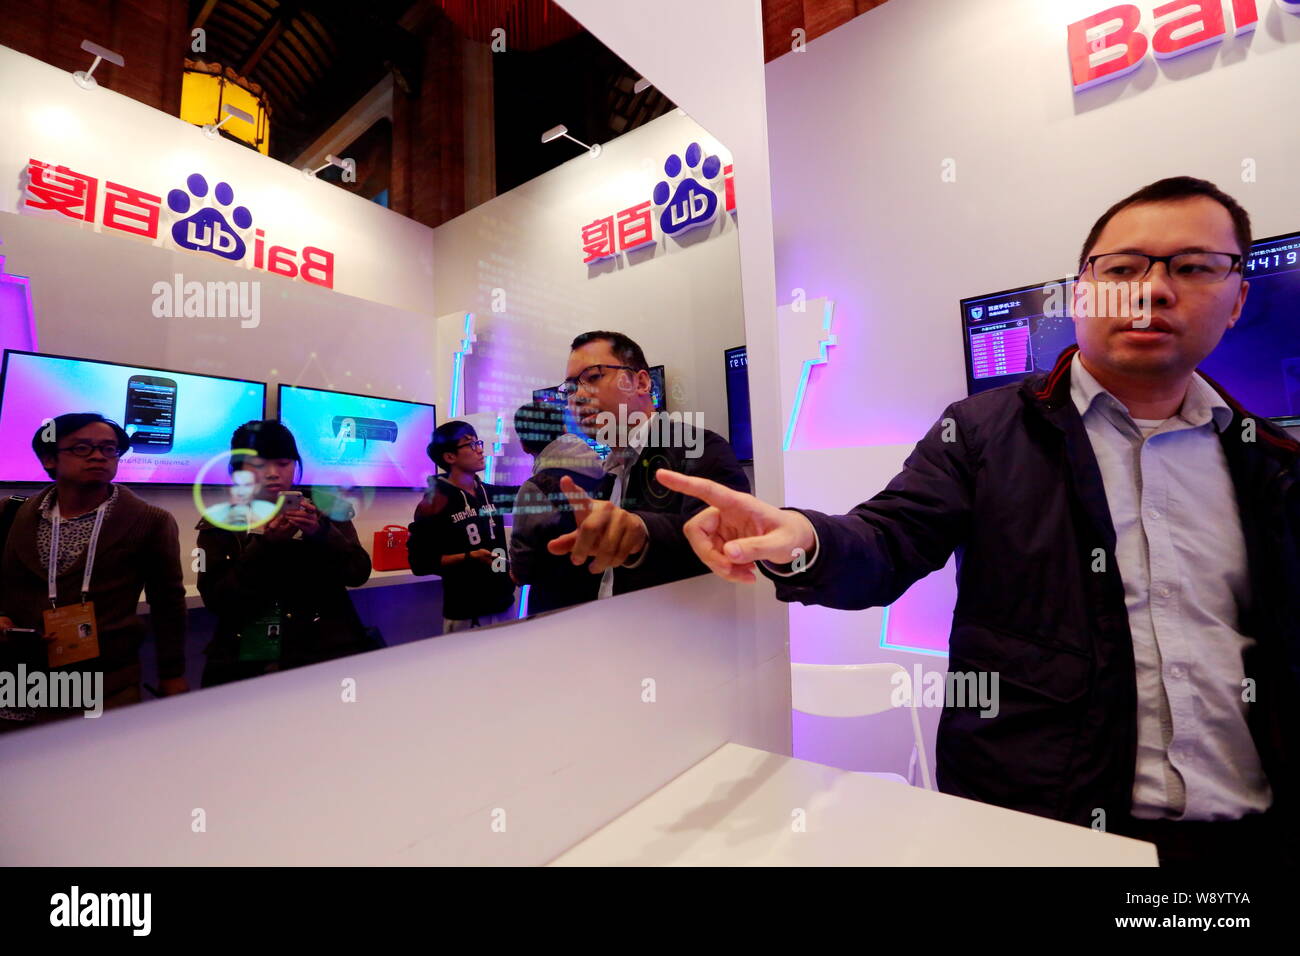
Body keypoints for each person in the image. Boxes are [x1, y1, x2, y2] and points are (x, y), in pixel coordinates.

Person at [657, 177, 1300, 868]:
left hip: (1243, 834)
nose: (1153, 289)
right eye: (1122, 268)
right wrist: (805, 538)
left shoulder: (1273, 463)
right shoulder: (984, 432)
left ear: (1237, 299)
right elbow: (887, 538)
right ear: (1082, 292)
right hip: (1044, 830)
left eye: (1195, 267)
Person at [0, 412, 188, 731]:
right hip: (18, 681)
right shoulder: (12, 513)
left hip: (104, 682)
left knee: (94, 773)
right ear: (49, 459)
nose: (98, 456)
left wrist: (172, 676)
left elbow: (168, 604)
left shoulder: (149, 521)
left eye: (108, 448)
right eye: (82, 448)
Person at [545, 331, 750, 598]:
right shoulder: (606, 474)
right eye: (571, 387)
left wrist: (641, 532)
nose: (578, 396)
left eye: (594, 376)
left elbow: (723, 545)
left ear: (641, 382)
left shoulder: (699, 448)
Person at [196, 420, 374, 687]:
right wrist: (265, 547)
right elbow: (217, 600)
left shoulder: (326, 509)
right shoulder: (221, 523)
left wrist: (322, 533)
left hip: (325, 653)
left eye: (283, 463)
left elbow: (358, 572)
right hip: (248, 659)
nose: (272, 473)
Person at [407, 421, 516, 632]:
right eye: (471, 444)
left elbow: (531, 494)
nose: (480, 449)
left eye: (478, 442)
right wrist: (469, 557)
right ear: (450, 457)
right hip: (466, 613)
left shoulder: (490, 493)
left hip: (504, 605)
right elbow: (419, 564)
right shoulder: (433, 504)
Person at [510, 400, 606, 614]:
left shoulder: (535, 488)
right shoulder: (607, 472)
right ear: (563, 430)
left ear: (524, 444)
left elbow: (522, 563)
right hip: (604, 593)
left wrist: (515, 574)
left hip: (554, 603)